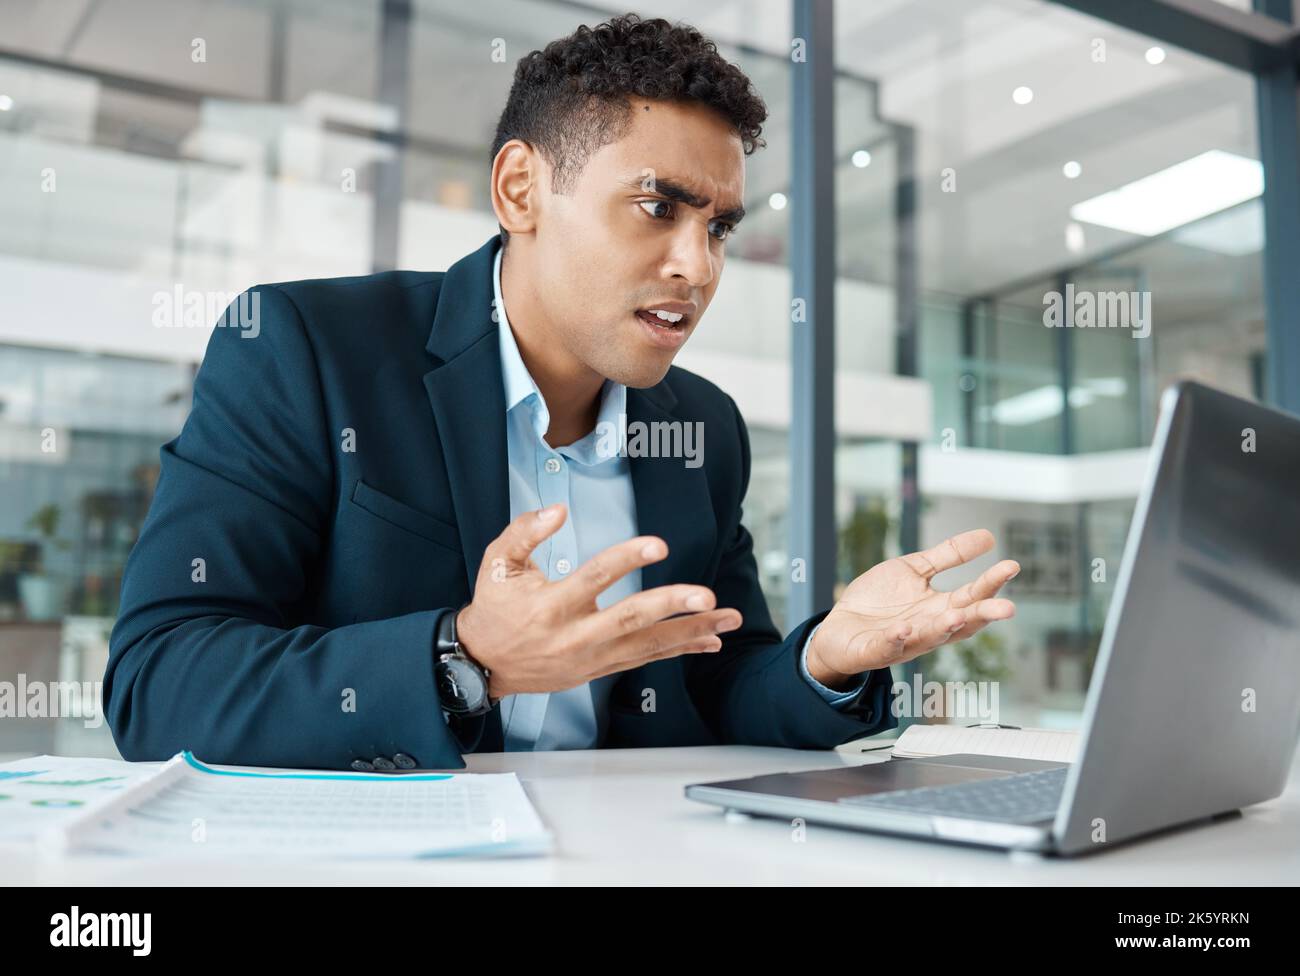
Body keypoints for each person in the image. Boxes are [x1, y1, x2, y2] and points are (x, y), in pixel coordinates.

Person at [106, 13, 1018, 770]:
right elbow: (157, 684)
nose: (696, 268)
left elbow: (713, 678)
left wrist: (822, 661)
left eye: (721, 227)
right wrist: (465, 658)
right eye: (659, 208)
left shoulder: (701, 425)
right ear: (520, 190)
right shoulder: (306, 351)